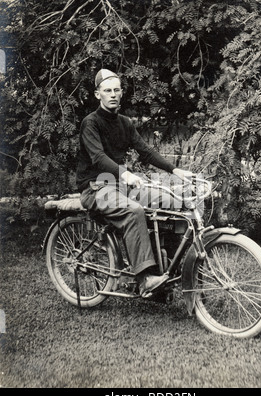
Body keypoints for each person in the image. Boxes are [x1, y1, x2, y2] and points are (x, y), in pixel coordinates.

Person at [76, 68, 192, 297]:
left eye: (116, 90)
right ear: (97, 94)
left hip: (119, 186)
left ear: (121, 93)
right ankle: (145, 279)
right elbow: (98, 157)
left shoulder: (125, 123)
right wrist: (124, 174)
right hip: (95, 188)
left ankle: (166, 270)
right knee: (134, 211)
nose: (112, 94)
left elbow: (146, 151)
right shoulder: (90, 123)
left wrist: (174, 169)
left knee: (172, 204)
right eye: (107, 90)